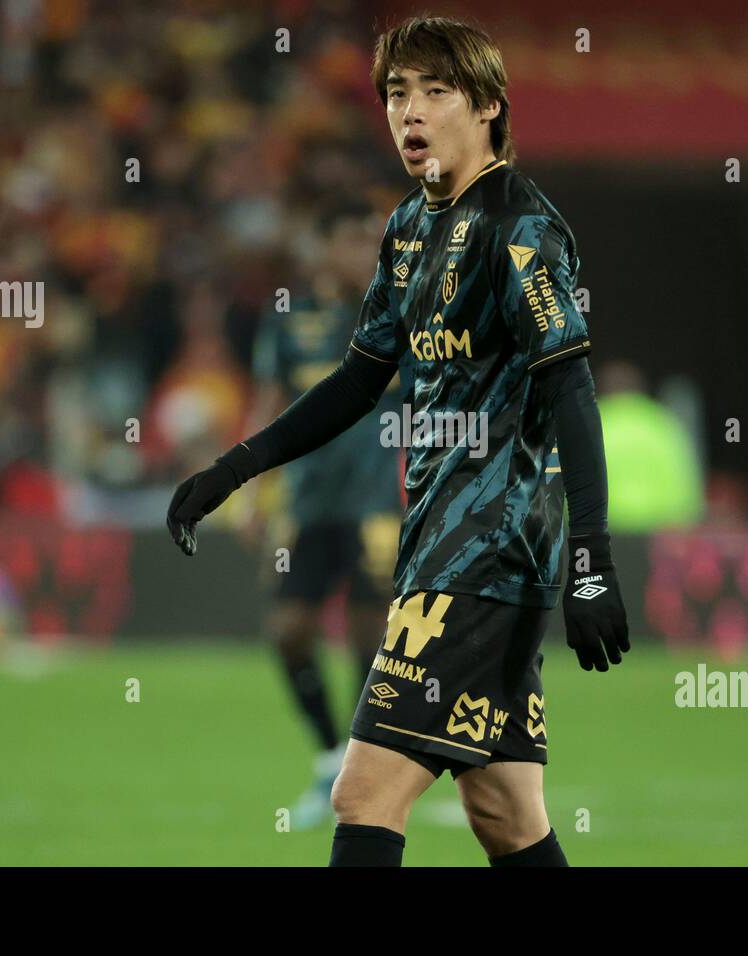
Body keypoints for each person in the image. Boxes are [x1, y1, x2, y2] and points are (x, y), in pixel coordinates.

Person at [168, 15, 629, 866]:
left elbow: (569, 382)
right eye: (394, 93)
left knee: (365, 790)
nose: (408, 112)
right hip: (439, 545)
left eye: (435, 92)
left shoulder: (519, 227)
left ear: (488, 105)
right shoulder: (411, 228)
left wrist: (592, 558)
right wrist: (234, 469)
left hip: (486, 557)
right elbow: (355, 381)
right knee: (504, 808)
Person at [244, 198, 403, 828]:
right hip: (307, 503)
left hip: (376, 503)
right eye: (352, 243)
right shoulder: (288, 320)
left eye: (371, 244)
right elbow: (268, 402)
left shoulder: (397, 317)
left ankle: (361, 774)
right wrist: (252, 490)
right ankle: (329, 751)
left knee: (371, 641)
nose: (365, 256)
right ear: (323, 251)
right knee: (288, 632)